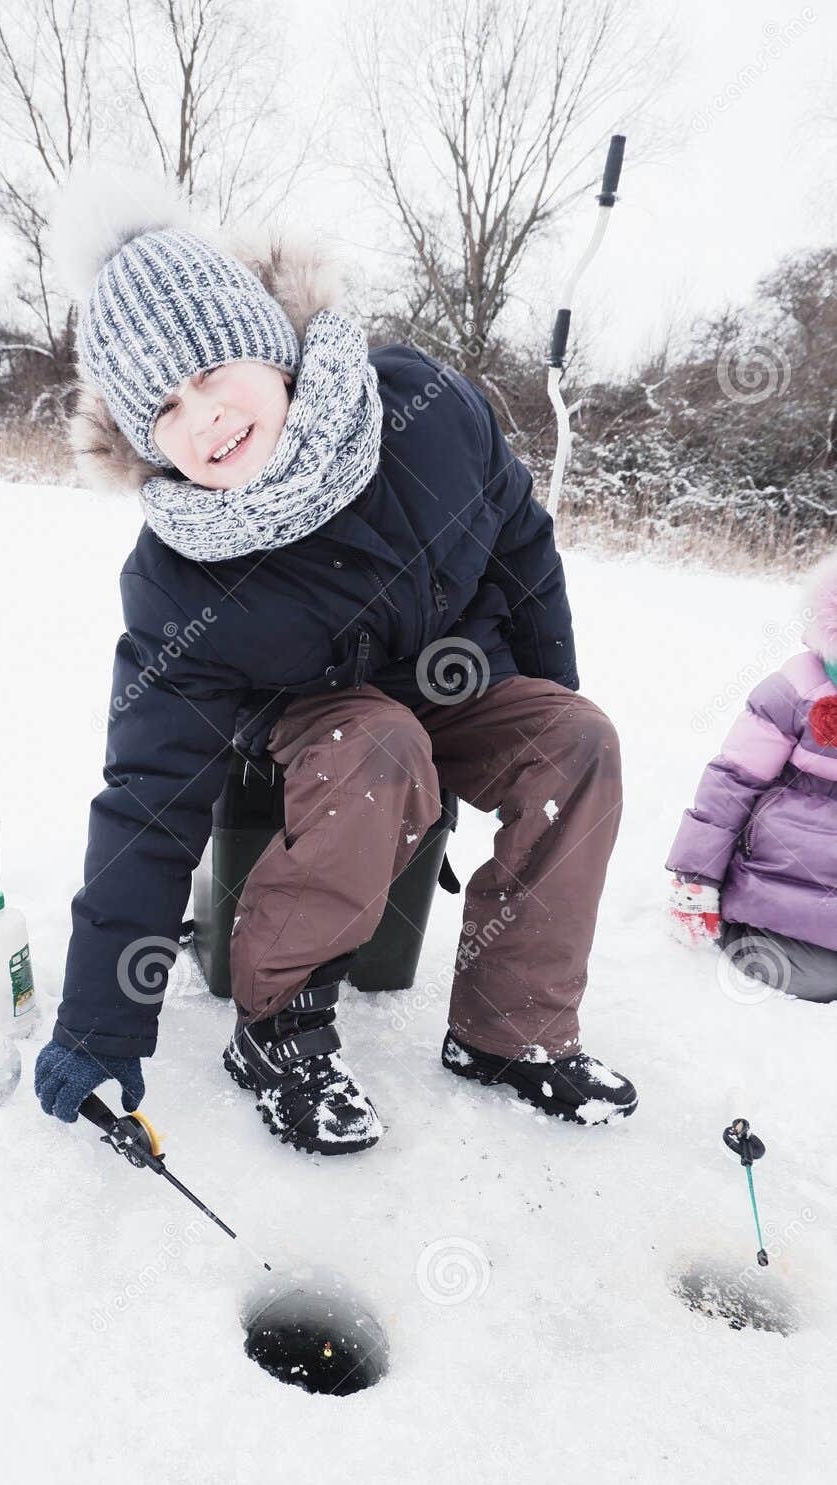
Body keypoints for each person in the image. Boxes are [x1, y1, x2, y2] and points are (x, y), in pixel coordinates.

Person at [34, 162, 637, 1154]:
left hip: (456, 674)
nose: (207, 420)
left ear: (269, 347)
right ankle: (276, 1028)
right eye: (166, 410)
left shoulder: (429, 411)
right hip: (319, 721)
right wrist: (99, 1022)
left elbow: (521, 547)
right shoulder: (178, 577)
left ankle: (511, 1029)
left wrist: (537, 700)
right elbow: (146, 797)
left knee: (576, 741)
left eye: (215, 373)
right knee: (380, 745)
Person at [666, 551, 837, 1002]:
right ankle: (746, 934)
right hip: (780, 885)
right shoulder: (799, 687)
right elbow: (732, 781)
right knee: (815, 976)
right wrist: (696, 878)